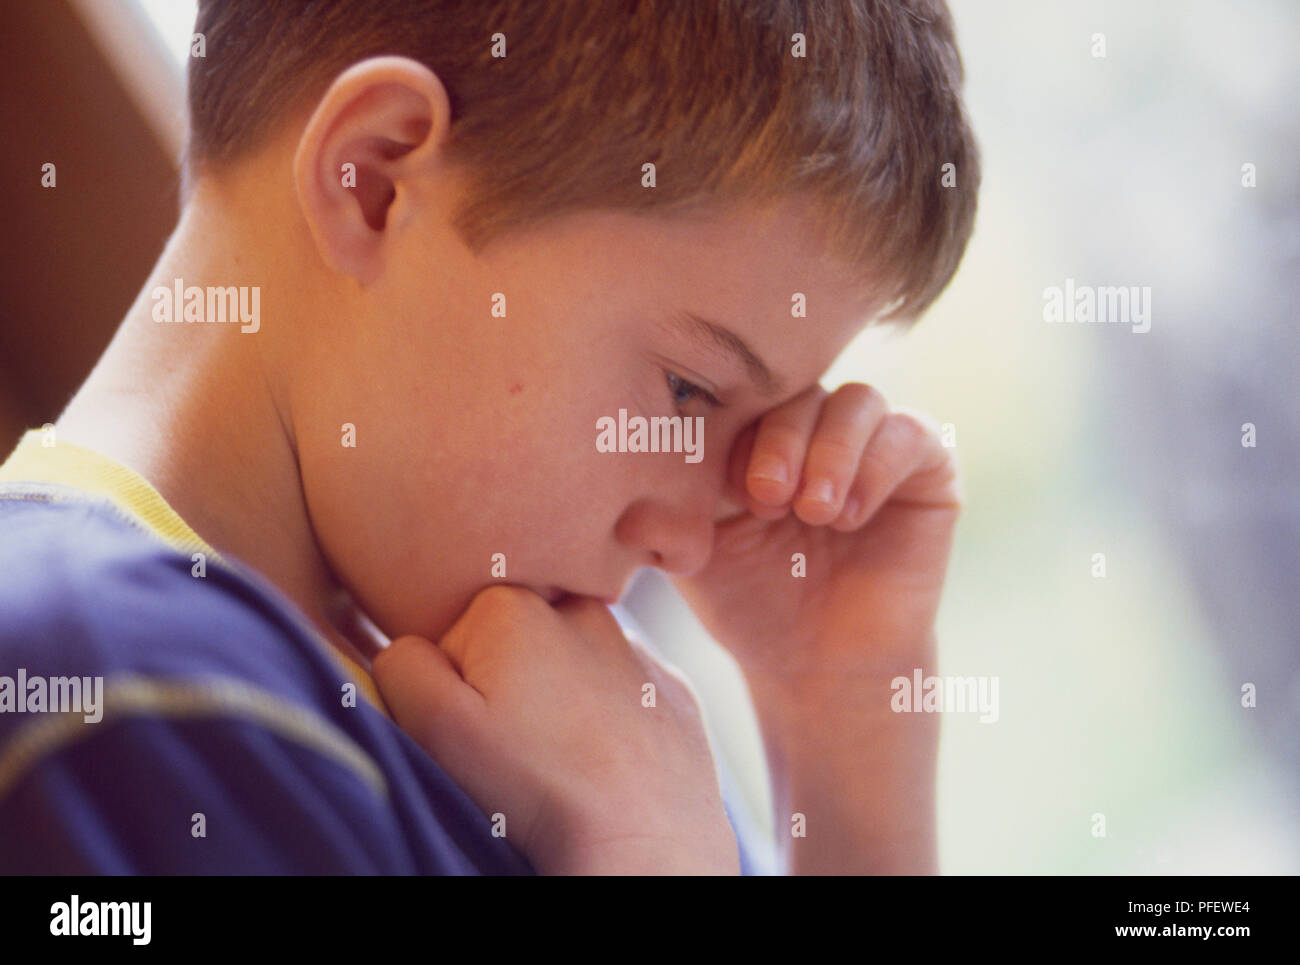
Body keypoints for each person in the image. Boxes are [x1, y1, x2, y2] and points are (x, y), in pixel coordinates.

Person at [0, 0, 978, 874]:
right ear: (373, 179)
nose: (692, 535)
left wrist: (838, 734)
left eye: (758, 427)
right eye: (688, 389)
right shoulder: (112, 695)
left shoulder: (565, 715)